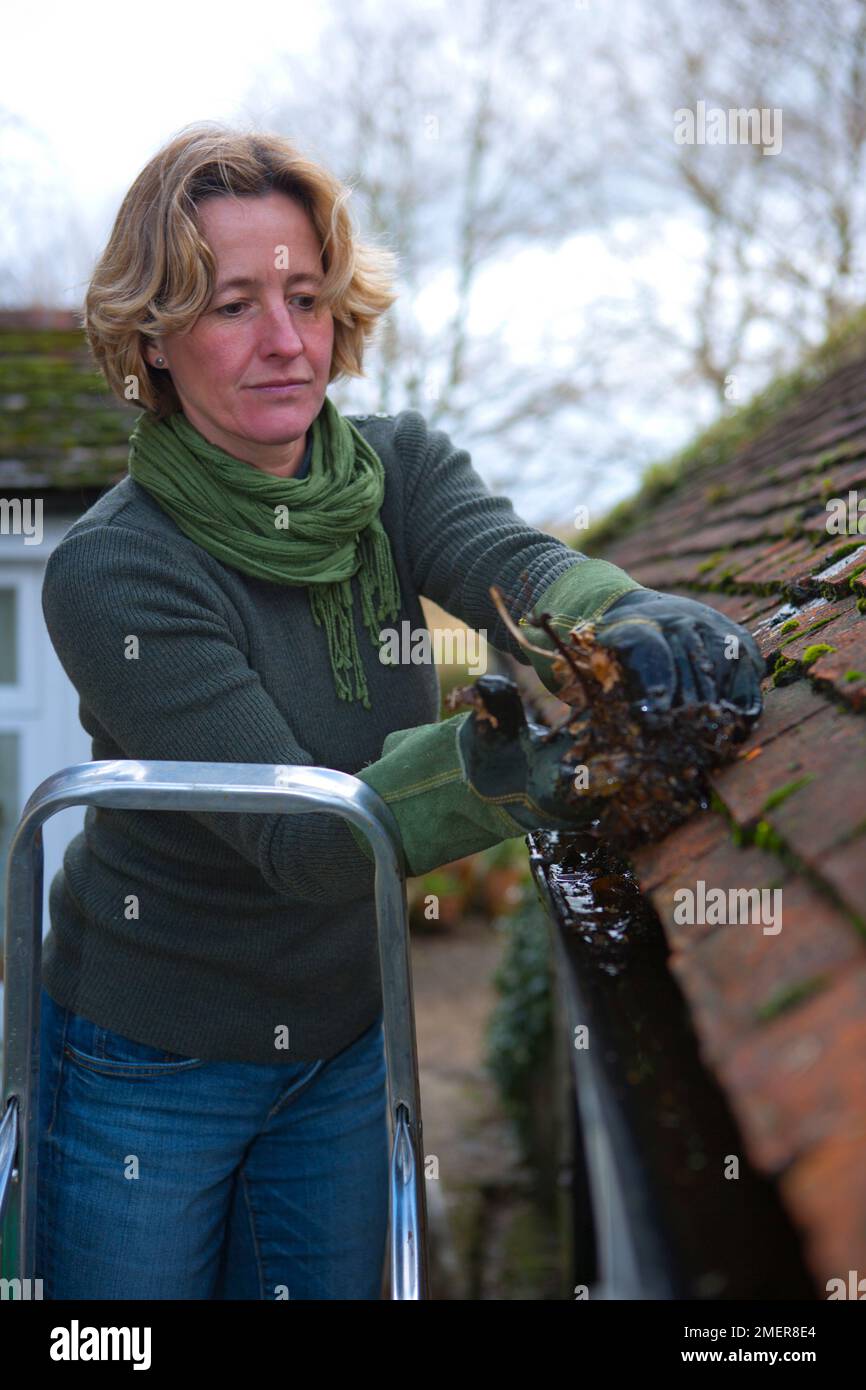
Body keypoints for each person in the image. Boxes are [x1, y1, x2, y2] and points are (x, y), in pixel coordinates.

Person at [34, 124, 764, 1301]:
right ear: (153, 339)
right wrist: (521, 763)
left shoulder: (397, 468)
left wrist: (624, 616)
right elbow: (303, 840)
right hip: (147, 1065)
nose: (286, 343)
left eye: (306, 296)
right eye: (230, 306)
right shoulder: (115, 568)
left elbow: (509, 559)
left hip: (344, 1037)